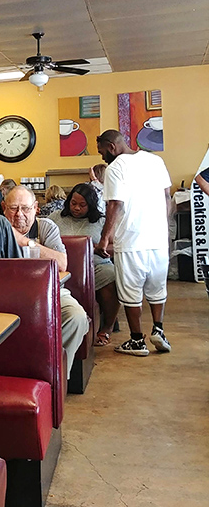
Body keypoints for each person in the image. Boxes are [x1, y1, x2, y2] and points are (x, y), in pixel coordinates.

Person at [95, 129, 172, 356]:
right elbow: (167, 196)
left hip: (130, 240)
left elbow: (115, 205)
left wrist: (104, 238)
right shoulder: (155, 160)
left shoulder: (115, 168)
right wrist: (162, 226)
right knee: (157, 288)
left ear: (111, 147)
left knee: (131, 292)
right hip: (158, 239)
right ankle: (158, 330)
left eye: (102, 153)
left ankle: (137, 341)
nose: (102, 158)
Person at [3, 185, 90, 376]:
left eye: (25, 208)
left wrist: (24, 241)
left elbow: (62, 264)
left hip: (51, 291)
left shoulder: (46, 227)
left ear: (36, 208)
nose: (19, 215)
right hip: (8, 296)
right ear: (3, 208)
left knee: (76, 317)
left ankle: (55, 375)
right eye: (13, 208)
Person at [52, 183, 120, 346]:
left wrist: (98, 249)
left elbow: (114, 245)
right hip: (64, 266)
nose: (76, 208)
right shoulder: (55, 217)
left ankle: (107, 327)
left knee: (111, 276)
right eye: (73, 203)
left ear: (91, 205)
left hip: (95, 265)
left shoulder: (101, 222)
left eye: (82, 205)